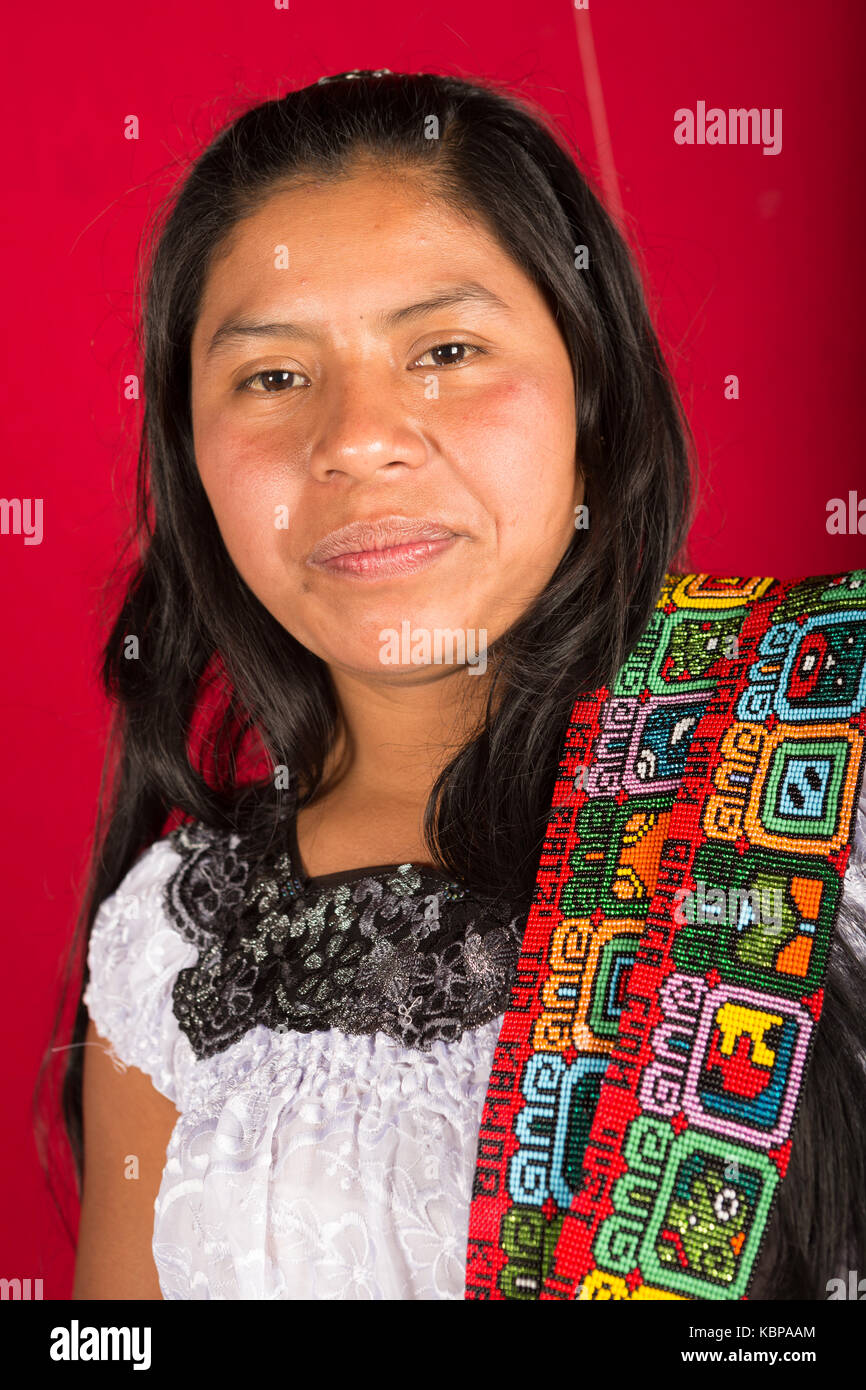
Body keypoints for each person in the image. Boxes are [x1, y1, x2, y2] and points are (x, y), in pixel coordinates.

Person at [40, 69, 866, 1301]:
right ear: (193, 454)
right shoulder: (167, 949)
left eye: (445, 348)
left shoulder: (819, 786)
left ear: (591, 388)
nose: (357, 437)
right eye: (272, 376)